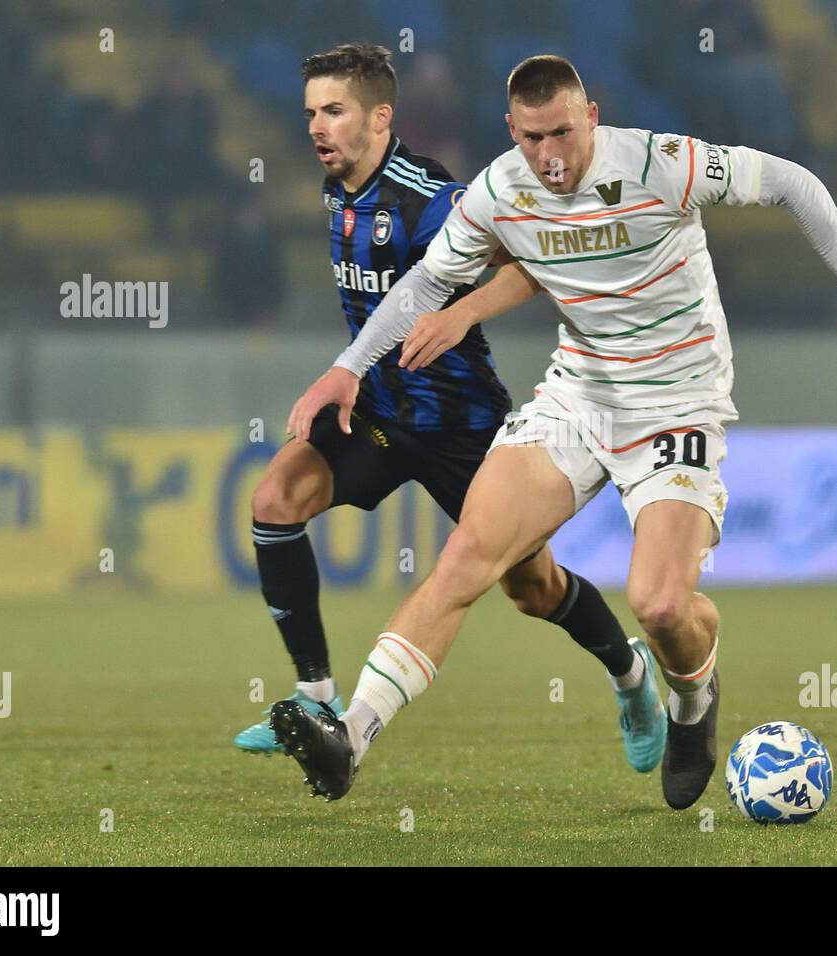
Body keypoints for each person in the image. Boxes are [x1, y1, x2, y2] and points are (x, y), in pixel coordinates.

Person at [272, 54, 837, 810]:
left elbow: (793, 183)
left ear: (592, 117)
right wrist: (348, 367)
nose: (551, 154)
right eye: (533, 137)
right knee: (471, 554)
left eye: (564, 132)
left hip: (677, 405)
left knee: (663, 606)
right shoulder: (500, 191)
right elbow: (427, 282)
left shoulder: (660, 163)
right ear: (513, 131)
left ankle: (692, 701)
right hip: (578, 398)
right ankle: (352, 735)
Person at [235, 44, 666, 777]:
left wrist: (460, 316)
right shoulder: (337, 186)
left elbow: (530, 259)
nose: (318, 127)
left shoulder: (429, 195)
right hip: (379, 415)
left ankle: (632, 677)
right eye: (310, 112)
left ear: (379, 116)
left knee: (533, 589)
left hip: (463, 426)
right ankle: (313, 698)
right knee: (275, 498)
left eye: (333, 111)